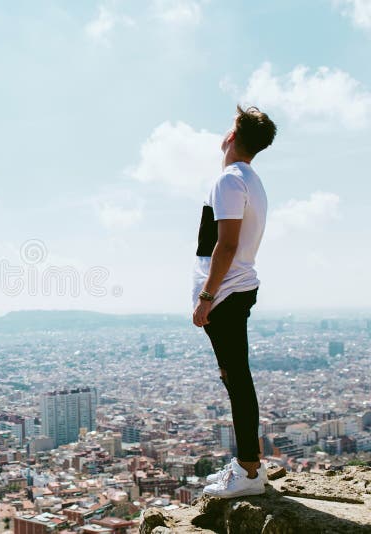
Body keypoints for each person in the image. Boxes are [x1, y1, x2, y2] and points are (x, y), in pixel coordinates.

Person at [192, 105, 277, 498]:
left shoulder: (229, 180)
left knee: (237, 380)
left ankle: (248, 471)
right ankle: (248, 466)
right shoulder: (252, 181)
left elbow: (225, 244)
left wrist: (206, 297)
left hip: (226, 292)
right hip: (237, 288)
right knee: (236, 378)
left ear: (232, 137)